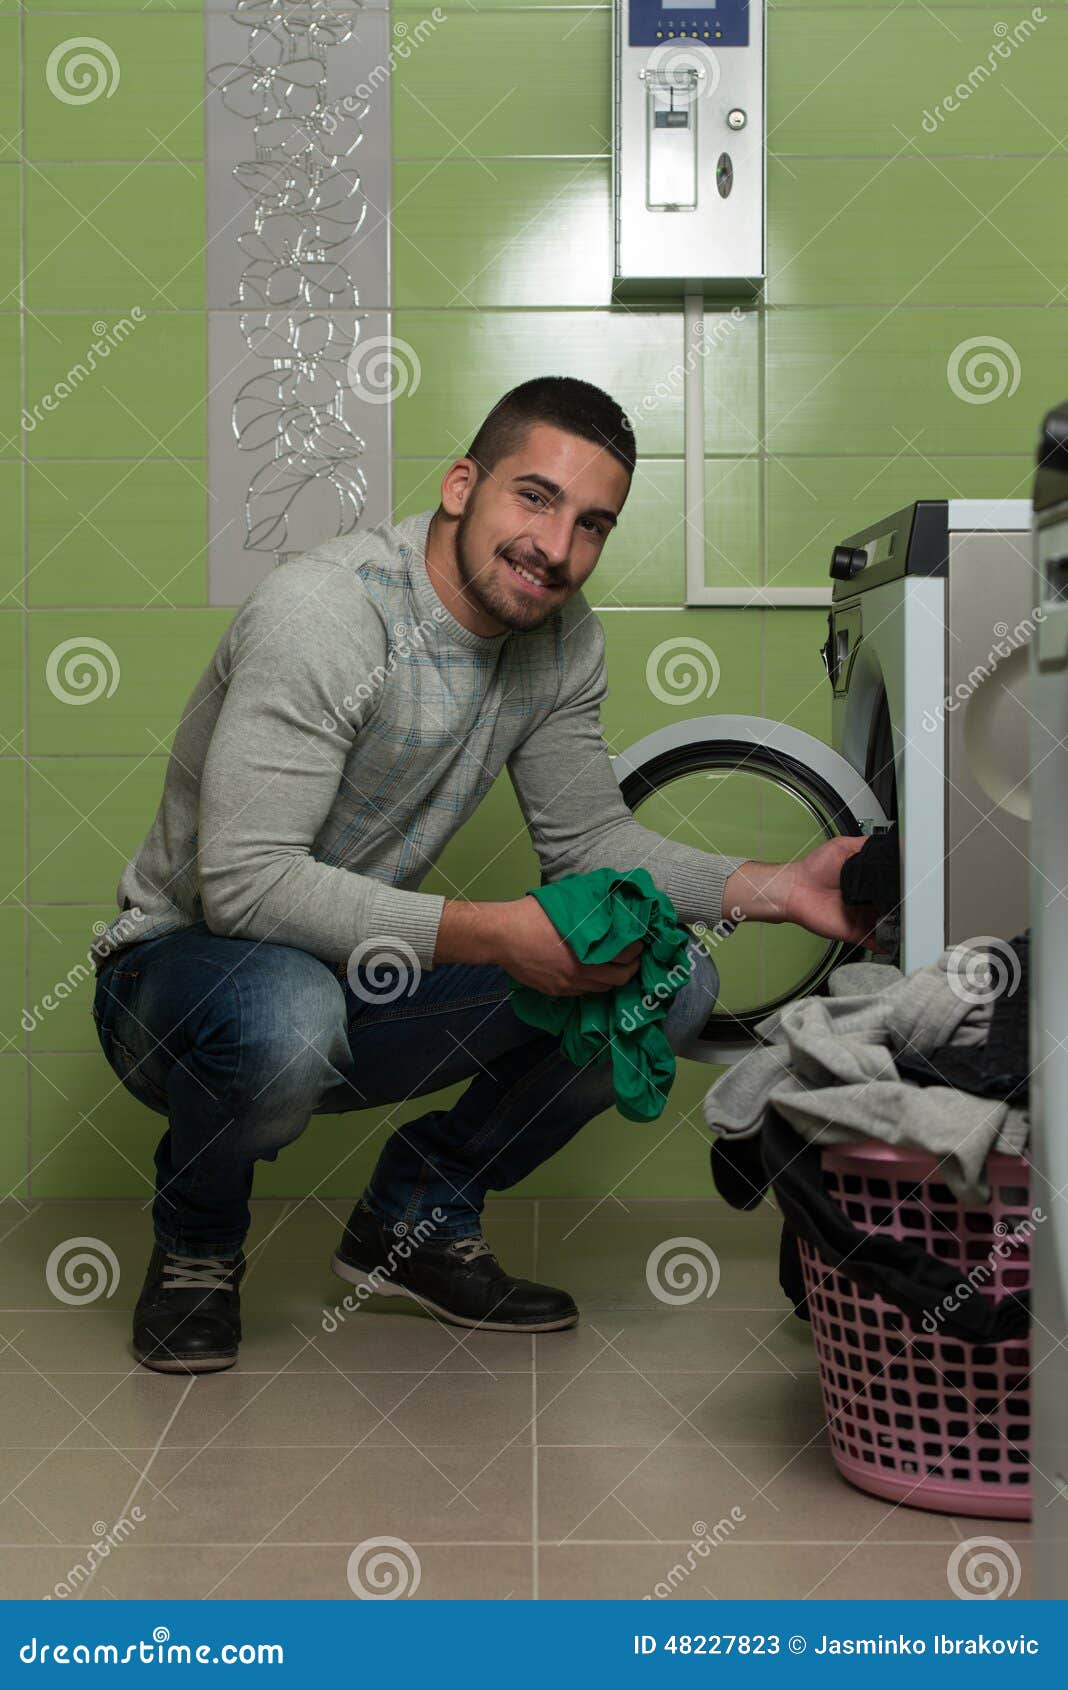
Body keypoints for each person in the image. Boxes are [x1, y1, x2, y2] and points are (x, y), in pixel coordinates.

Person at [90, 376, 874, 1373]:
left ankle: (416, 1217)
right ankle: (198, 1245)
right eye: (534, 498)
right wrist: (504, 935)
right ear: (463, 484)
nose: (557, 549)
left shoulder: (561, 638)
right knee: (284, 1011)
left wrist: (782, 886)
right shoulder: (327, 614)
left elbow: (591, 843)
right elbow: (246, 885)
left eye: (593, 523)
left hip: (359, 974)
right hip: (184, 974)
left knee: (667, 978)